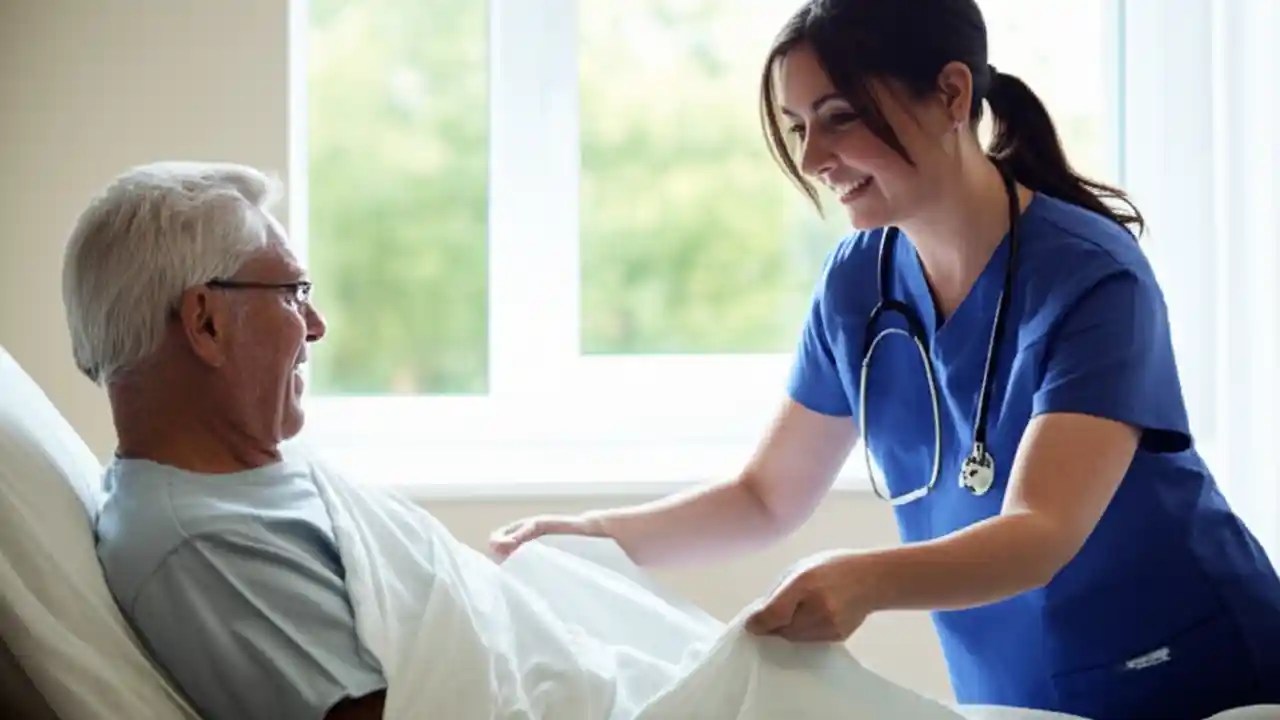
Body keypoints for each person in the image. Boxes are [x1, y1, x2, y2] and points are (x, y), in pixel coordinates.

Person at [489, 1, 1280, 718]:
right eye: (799, 127)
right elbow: (765, 497)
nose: (813, 159)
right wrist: (589, 536)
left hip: (1199, 681)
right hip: (1016, 696)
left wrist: (865, 577)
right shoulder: (858, 283)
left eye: (838, 118)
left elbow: (1041, 529)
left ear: (952, 95)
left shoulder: (1092, 279)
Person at [63, 162, 385, 720]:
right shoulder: (202, 543)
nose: (316, 324)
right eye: (292, 294)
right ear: (206, 323)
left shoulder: (235, 490)